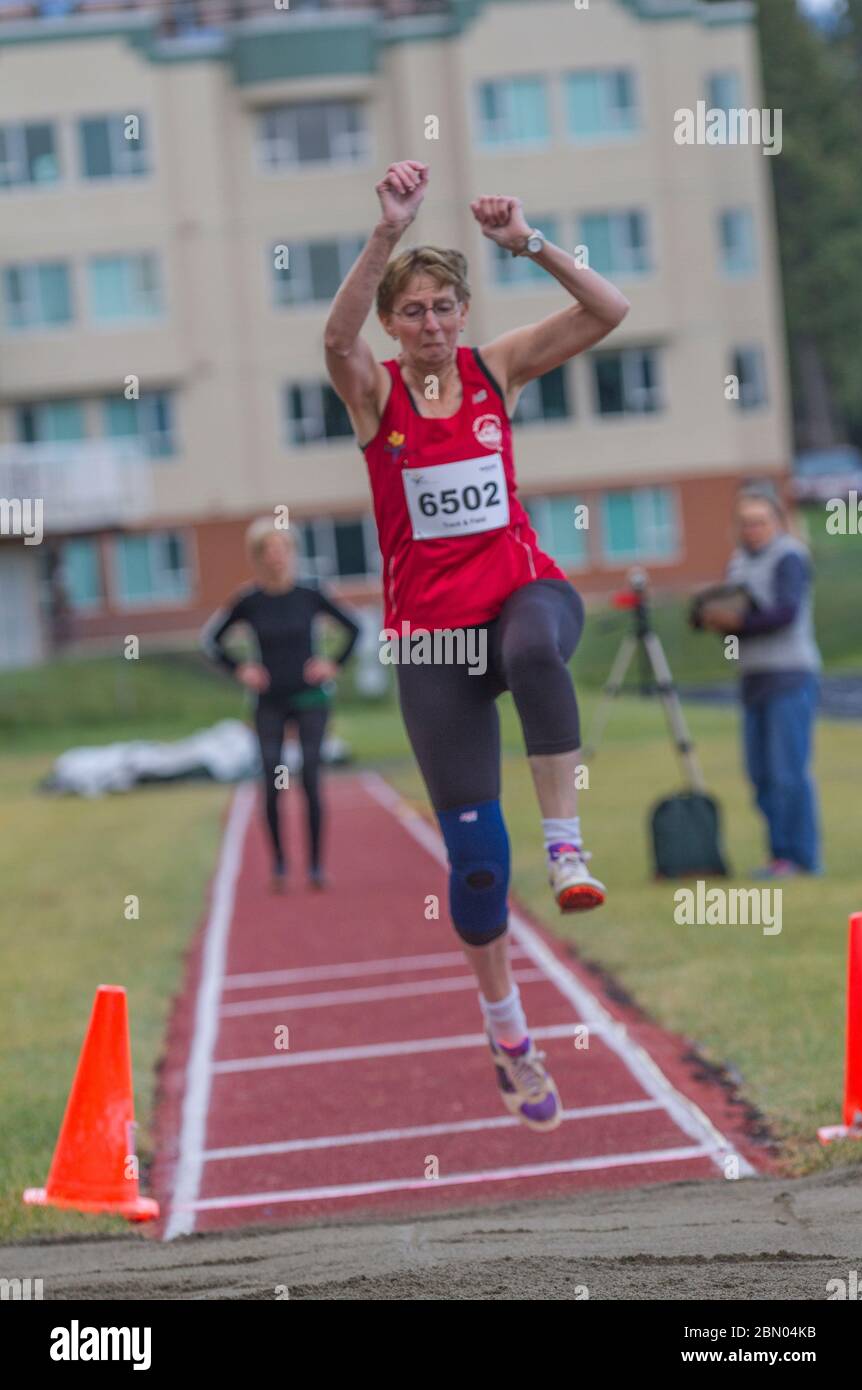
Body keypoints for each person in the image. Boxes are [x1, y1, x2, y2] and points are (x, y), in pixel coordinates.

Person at [323, 159, 630, 1130]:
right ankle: (506, 1029)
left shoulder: (492, 368)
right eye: (411, 310)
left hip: (519, 598)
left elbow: (607, 311)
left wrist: (528, 242)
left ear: (461, 310)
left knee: (538, 651)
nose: (429, 324)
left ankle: (569, 847)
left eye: (443, 305)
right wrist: (386, 231)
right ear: (393, 321)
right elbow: (332, 337)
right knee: (475, 866)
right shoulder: (376, 397)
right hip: (431, 646)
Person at [201, 519, 360, 891]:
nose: (276, 557)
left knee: (310, 777)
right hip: (269, 700)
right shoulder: (249, 600)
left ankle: (317, 867)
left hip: (310, 698)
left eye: (281, 549)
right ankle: (279, 866)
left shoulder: (311, 593)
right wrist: (241, 669)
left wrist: (331, 663)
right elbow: (213, 640)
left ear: (291, 554)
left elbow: (354, 628)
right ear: (257, 557)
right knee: (272, 778)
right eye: (267, 551)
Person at [697, 487, 822, 878]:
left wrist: (739, 623)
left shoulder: (790, 557)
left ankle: (800, 858)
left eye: (761, 521)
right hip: (753, 679)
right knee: (761, 775)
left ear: (778, 522)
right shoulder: (738, 563)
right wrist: (713, 620)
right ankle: (778, 854)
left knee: (788, 772)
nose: (753, 530)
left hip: (789, 674)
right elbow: (734, 627)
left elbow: (785, 613)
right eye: (746, 523)